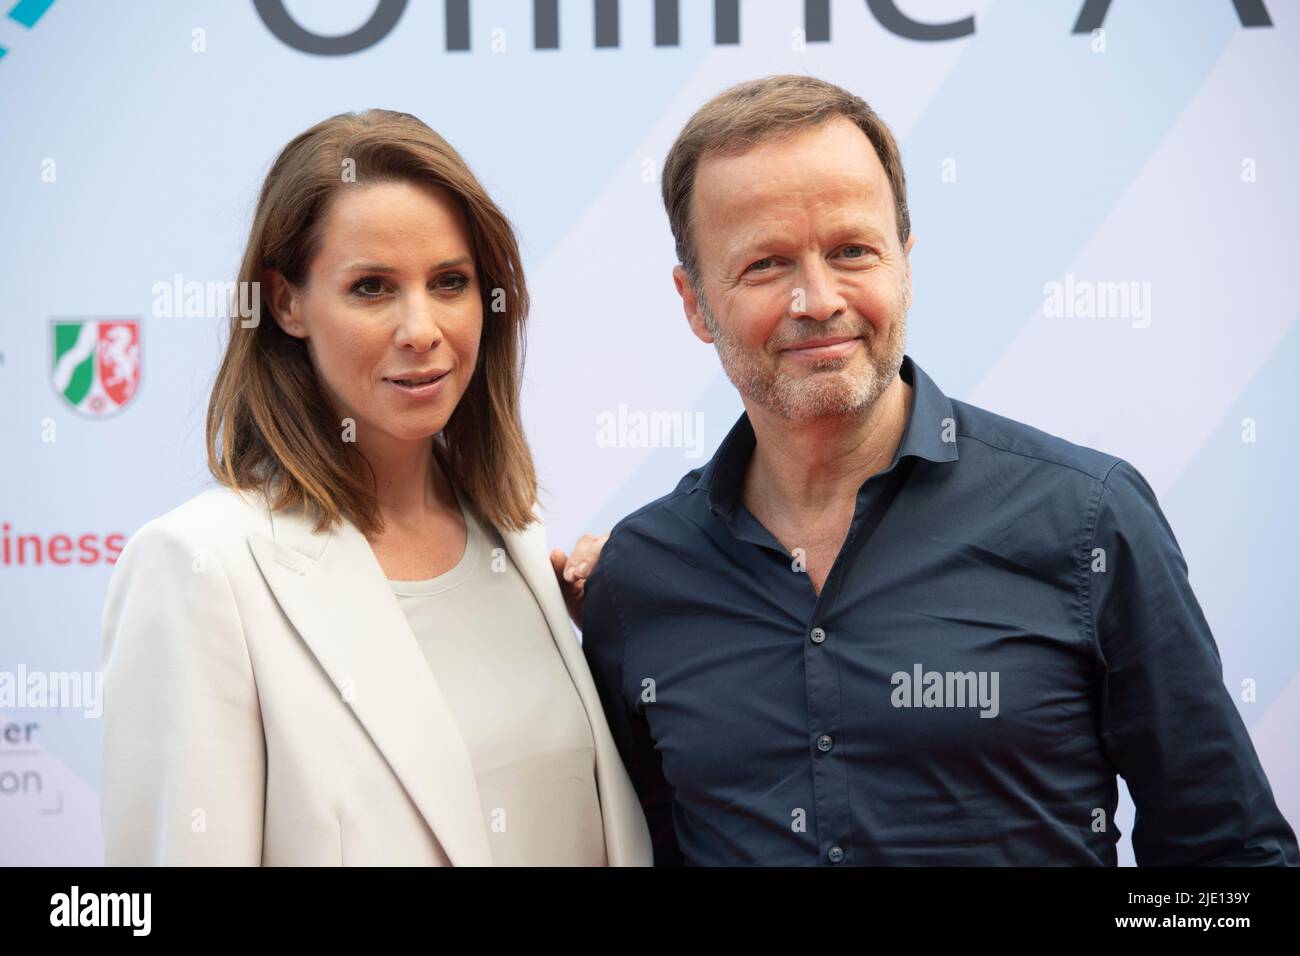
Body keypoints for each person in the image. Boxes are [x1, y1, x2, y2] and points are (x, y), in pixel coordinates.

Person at [580, 75, 1299, 866]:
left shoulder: (1088, 520)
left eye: (852, 251)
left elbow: (1230, 866)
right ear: (693, 302)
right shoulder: (640, 579)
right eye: (765, 264)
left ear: (906, 264)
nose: (817, 300)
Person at [100, 109, 651, 866]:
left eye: (450, 282)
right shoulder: (200, 568)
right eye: (372, 288)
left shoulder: (517, 541)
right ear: (286, 302)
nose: (421, 327)